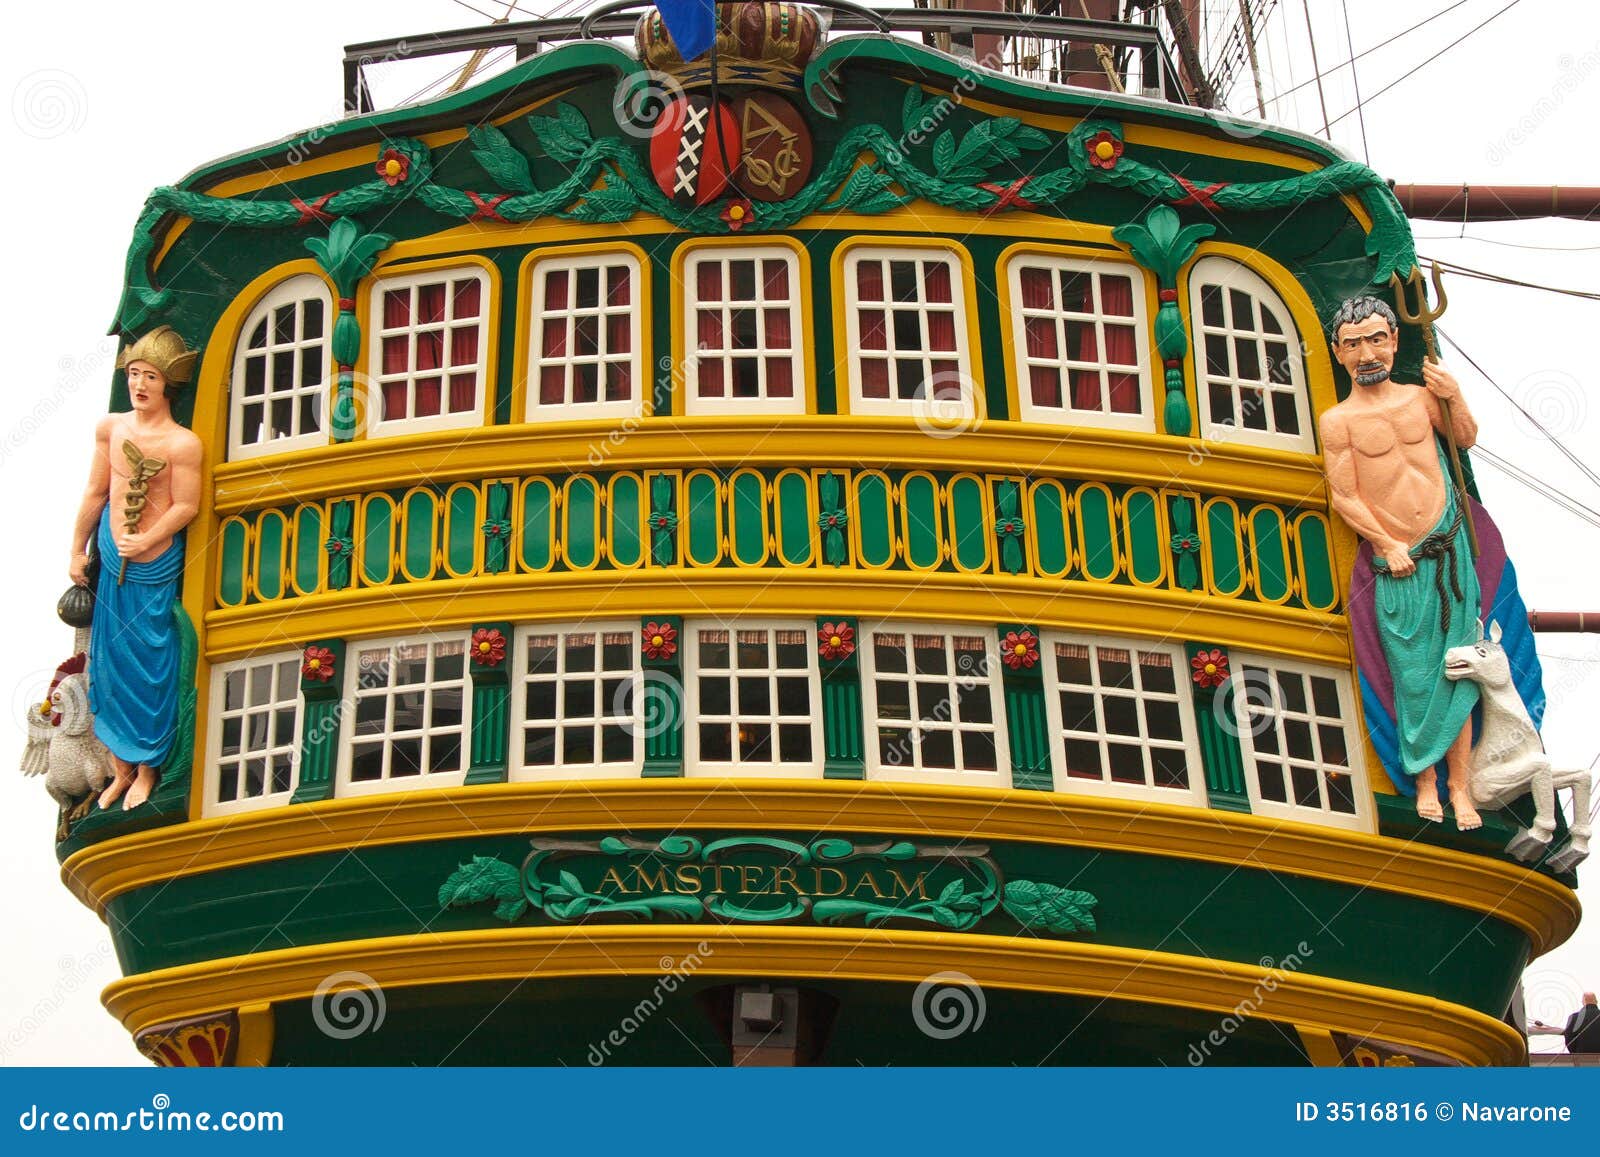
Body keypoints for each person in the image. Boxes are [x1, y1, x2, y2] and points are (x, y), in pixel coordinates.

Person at [1319, 297, 1481, 828]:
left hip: (1448, 547)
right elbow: (1344, 496)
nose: (1366, 352)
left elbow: (1464, 440)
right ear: (1338, 353)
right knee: (1412, 674)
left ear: (1393, 340)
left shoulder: (1419, 398)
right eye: (1353, 343)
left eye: (1375, 338)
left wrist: (1453, 396)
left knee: (1457, 669)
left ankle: (1461, 786)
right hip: (1400, 559)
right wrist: (1385, 544)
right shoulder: (1338, 421)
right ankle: (1425, 780)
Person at [67, 325, 202, 811]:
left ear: (168, 384)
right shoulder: (111, 428)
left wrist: (147, 536)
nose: (139, 385)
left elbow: (185, 505)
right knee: (109, 662)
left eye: (150, 376)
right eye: (133, 374)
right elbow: (95, 492)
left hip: (152, 564)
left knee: (150, 664)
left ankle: (147, 769)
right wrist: (77, 548)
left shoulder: (182, 444)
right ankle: (119, 771)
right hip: (111, 559)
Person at [1529, 992, 1600, 1054]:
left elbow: (1569, 1038)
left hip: (1581, 1056)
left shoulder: (1574, 1017)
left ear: (1583, 1002)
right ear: (1596, 1001)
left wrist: (1576, 1053)